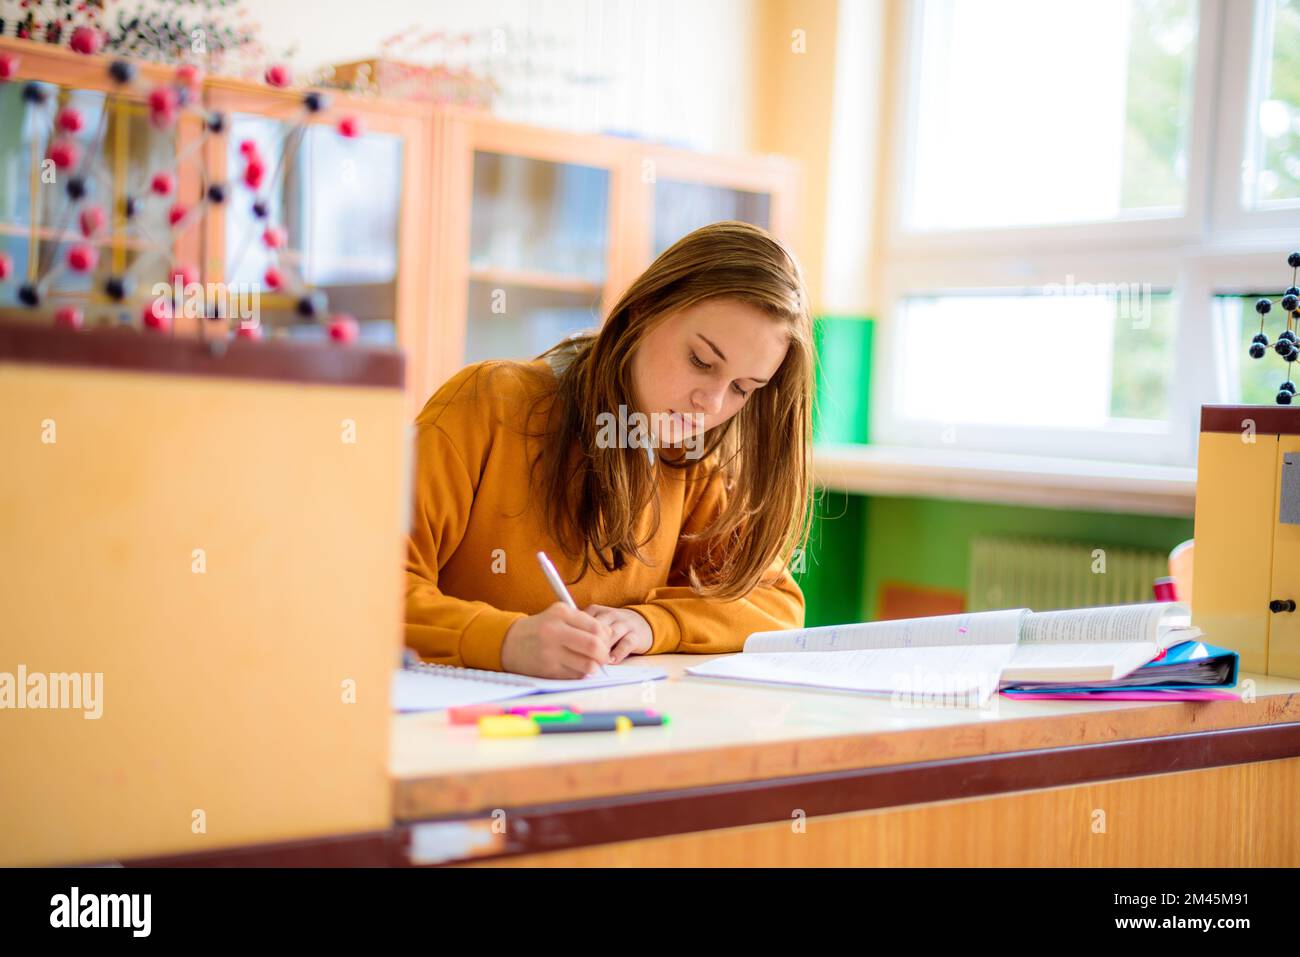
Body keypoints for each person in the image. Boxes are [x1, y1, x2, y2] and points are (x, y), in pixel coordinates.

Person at [405, 221, 815, 678]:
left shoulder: (691, 459)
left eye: (743, 387)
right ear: (643, 311)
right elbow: (369, 585)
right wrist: (502, 640)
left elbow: (775, 603)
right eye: (701, 361)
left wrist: (651, 623)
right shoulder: (487, 404)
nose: (712, 403)